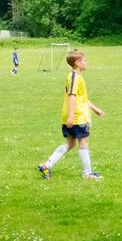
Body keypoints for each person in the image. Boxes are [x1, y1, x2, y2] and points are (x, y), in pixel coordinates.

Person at [38, 50, 105, 181]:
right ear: (77, 63)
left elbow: (82, 98)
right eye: (84, 60)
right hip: (77, 116)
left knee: (70, 143)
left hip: (72, 115)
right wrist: (71, 116)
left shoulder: (73, 76)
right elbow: (72, 96)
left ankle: (47, 165)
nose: (86, 62)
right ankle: (87, 174)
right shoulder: (75, 77)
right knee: (83, 142)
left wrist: (94, 109)